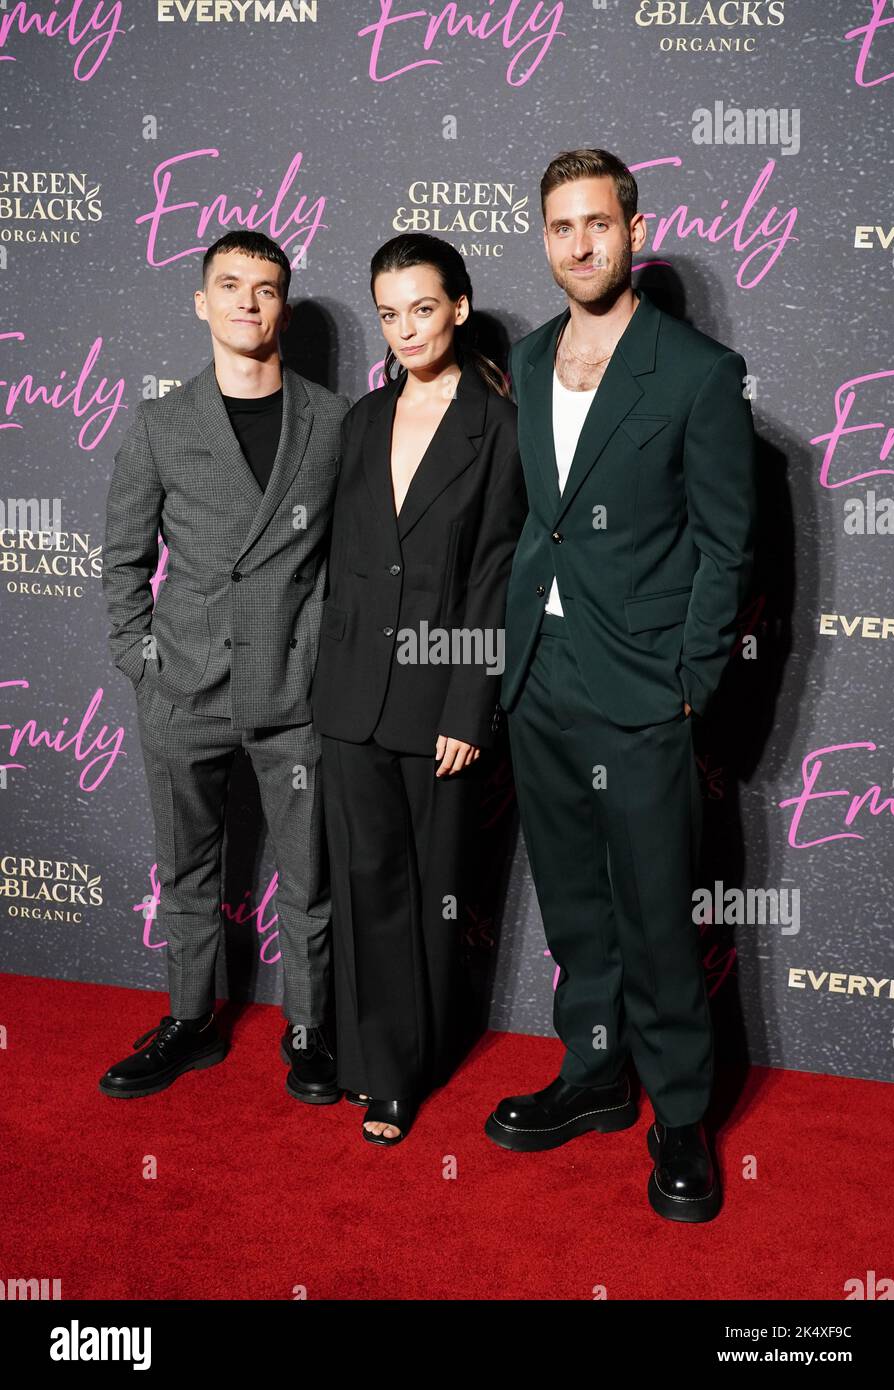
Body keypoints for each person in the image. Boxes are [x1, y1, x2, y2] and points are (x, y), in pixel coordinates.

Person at [484, 149, 756, 1222]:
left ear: (633, 231)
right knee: (575, 906)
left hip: (641, 687)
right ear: (543, 238)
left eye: (598, 223)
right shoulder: (524, 355)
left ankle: (679, 1114)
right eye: (559, 226)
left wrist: (686, 681)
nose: (580, 244)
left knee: (653, 914)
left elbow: (726, 548)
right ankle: (594, 1074)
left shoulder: (693, 370)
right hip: (540, 675)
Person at [100, 230, 351, 1101]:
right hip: (185, 691)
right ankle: (189, 1020)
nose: (249, 301)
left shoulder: (332, 421)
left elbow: (353, 561)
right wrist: (141, 662)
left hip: (294, 694)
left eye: (268, 288)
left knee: (311, 878)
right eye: (231, 286)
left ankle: (312, 1026)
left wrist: (327, 663)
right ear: (202, 303)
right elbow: (122, 559)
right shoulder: (161, 424)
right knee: (188, 871)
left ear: (283, 305)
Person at [311, 233, 527, 1144]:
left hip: (439, 702)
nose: (405, 330)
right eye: (390, 313)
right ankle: (367, 1059)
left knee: (431, 890)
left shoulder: (500, 424)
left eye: (423, 309)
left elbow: (495, 574)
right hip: (351, 698)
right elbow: (345, 563)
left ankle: (408, 1068)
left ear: (461, 308)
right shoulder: (362, 420)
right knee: (363, 887)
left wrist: (467, 706)